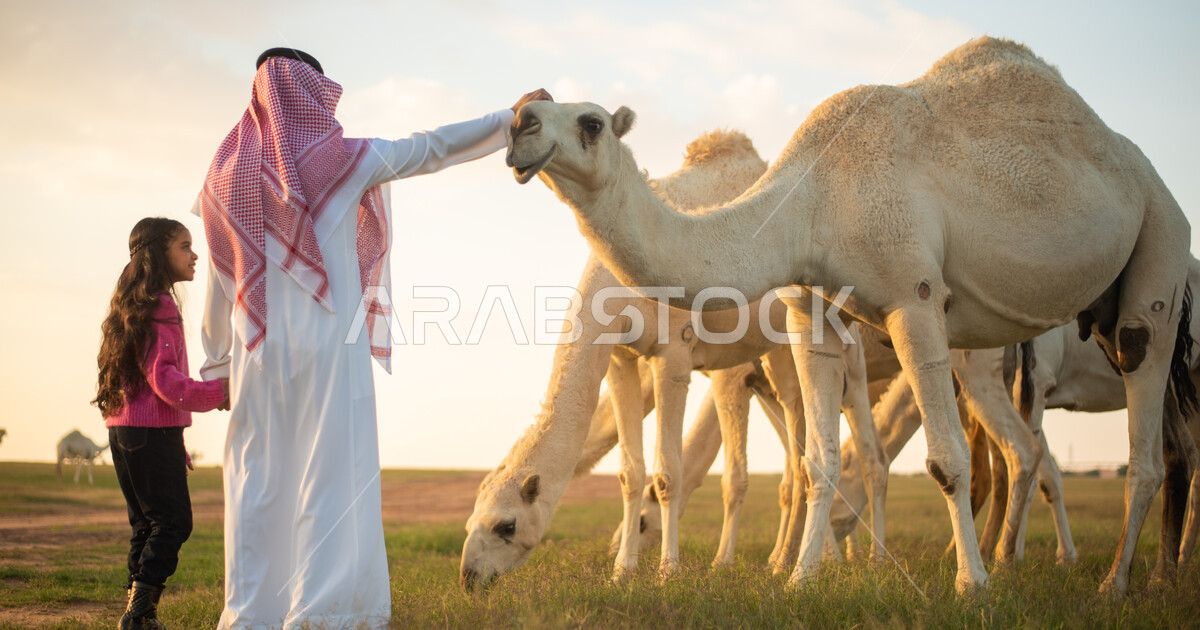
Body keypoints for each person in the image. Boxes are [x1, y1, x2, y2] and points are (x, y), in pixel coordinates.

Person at [194, 47, 550, 629]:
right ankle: (324, 612)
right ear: (310, 91)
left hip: (255, 353)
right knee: (330, 477)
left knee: (256, 483)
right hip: (333, 345)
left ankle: (251, 614)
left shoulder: (223, 177)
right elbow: (429, 148)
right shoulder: (341, 160)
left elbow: (220, 277)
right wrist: (506, 120)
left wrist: (216, 366)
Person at [93, 217, 230, 630]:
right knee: (173, 523)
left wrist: (177, 439)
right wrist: (222, 392)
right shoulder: (161, 304)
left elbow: (140, 381)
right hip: (149, 433)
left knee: (145, 525)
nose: (195, 255)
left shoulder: (131, 304)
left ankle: (138, 615)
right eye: (185, 246)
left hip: (124, 431)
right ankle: (139, 615)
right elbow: (166, 380)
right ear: (158, 254)